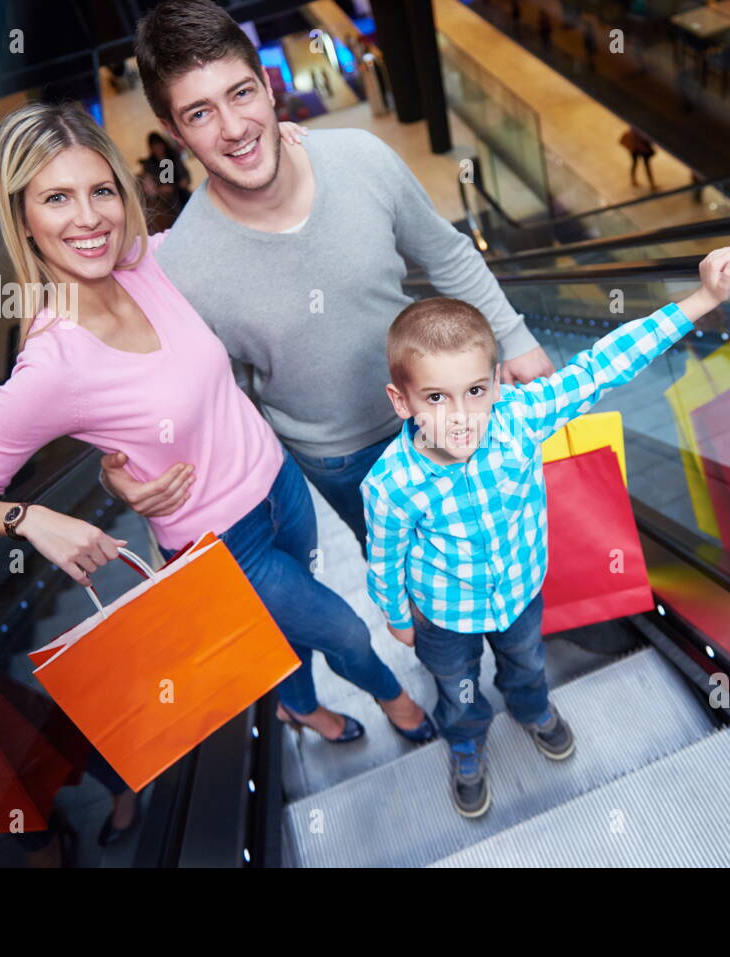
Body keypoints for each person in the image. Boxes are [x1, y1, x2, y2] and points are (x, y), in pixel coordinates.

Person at [0, 103, 437, 843]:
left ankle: (295, 702)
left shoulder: (148, 264)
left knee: (284, 635)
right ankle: (398, 703)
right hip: (220, 545)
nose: (87, 217)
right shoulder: (51, 362)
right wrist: (29, 517)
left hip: (282, 485)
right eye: (56, 198)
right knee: (347, 629)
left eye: (99, 190)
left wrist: (286, 148)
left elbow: (229, 223)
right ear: (23, 218)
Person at [100, 0, 555, 566]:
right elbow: (193, 395)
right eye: (199, 113)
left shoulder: (360, 158)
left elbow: (448, 255)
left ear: (268, 86)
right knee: (411, 580)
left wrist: (515, 339)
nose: (234, 128)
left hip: (446, 405)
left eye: (241, 93)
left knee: (501, 541)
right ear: (173, 131)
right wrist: (124, 468)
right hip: (340, 457)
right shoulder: (183, 269)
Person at [362, 244, 730, 817]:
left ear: (498, 382)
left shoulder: (519, 416)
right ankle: (468, 742)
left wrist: (700, 299)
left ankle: (531, 710)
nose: (461, 416)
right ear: (401, 402)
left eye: (475, 391)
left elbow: (604, 364)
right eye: (435, 397)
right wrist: (399, 618)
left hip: (521, 592)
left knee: (526, 663)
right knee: (458, 687)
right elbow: (385, 557)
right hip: (445, 615)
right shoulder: (391, 484)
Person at [139, 131, 191, 231]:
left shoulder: (173, 157)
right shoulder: (149, 165)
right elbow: (148, 190)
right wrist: (159, 189)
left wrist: (183, 182)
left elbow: (185, 176)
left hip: (181, 197)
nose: (158, 148)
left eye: (158, 145)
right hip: (163, 205)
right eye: (154, 146)